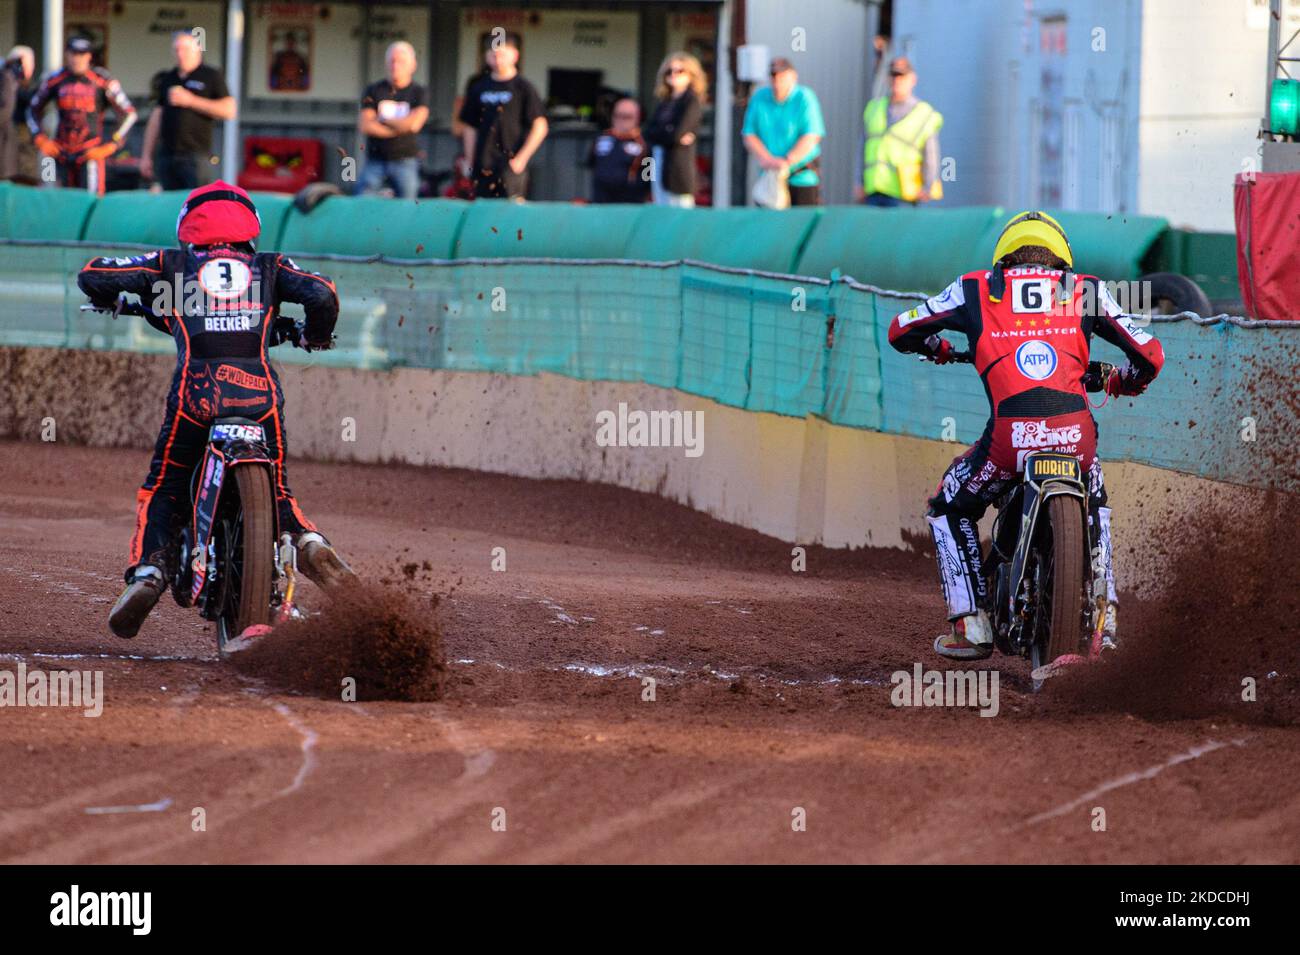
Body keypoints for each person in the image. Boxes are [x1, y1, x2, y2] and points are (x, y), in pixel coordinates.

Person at [76, 181, 356, 638]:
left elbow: (94, 274)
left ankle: (149, 572)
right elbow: (322, 295)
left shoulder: (174, 266)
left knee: (165, 488)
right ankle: (309, 543)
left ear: (189, 225)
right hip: (259, 395)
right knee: (280, 491)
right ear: (251, 227)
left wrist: (110, 301)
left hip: (197, 394)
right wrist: (315, 335)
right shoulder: (271, 267)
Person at [887, 211, 1164, 660]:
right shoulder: (1087, 290)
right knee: (1097, 510)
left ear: (1003, 258)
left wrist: (936, 348)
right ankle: (1105, 626)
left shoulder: (973, 288)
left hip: (1007, 444)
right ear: (1062, 260)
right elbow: (1151, 355)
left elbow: (901, 330)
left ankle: (970, 622)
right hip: (1077, 440)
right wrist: (1123, 381)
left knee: (947, 505)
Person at [26, 36, 136, 194]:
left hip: (90, 154)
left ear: (89, 56)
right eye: (73, 54)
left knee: (91, 202)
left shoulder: (103, 80)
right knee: (49, 195)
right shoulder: (54, 79)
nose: (77, 59)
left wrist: (112, 144)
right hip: (57, 153)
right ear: (67, 55)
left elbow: (129, 114)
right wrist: (39, 138)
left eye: (82, 54)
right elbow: (32, 109)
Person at [141, 30, 236, 191]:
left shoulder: (210, 75)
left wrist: (191, 101)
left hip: (196, 155)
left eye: (185, 49)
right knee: (170, 204)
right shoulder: (169, 78)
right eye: (177, 49)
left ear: (197, 49)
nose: (180, 54)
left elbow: (229, 110)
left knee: (198, 201)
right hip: (167, 155)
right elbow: (157, 116)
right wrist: (146, 155)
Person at [458, 34, 547, 200]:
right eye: (493, 54)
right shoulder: (479, 88)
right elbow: (470, 127)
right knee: (483, 214)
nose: (497, 58)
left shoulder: (524, 87)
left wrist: (522, 158)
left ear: (515, 55)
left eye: (502, 54)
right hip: (483, 165)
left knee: (512, 214)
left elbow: (540, 126)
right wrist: (470, 160)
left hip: (510, 166)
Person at [856, 56, 942, 207]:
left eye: (902, 76)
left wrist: (927, 185)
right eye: (894, 75)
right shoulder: (874, 108)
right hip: (874, 191)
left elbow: (930, 153)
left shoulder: (924, 113)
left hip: (904, 194)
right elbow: (863, 147)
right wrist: (859, 182)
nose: (897, 80)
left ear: (913, 79)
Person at [741, 57, 826, 206]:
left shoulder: (804, 98)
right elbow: (749, 134)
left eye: (782, 76)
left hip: (800, 176)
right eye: (774, 76)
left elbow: (811, 136)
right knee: (770, 225)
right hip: (770, 178)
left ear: (793, 76)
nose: (777, 81)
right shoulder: (760, 98)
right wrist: (768, 160)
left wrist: (787, 161)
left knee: (802, 224)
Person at [356, 41, 428, 200]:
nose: (396, 66)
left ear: (412, 65)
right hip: (375, 160)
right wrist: (400, 127)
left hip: (406, 160)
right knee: (362, 199)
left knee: (408, 204)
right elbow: (366, 125)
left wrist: (382, 120)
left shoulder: (418, 92)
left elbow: (414, 124)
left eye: (401, 61)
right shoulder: (374, 90)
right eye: (392, 61)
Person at [644, 52, 705, 207]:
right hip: (657, 159)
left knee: (681, 206)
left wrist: (667, 133)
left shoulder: (691, 102)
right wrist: (669, 132)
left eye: (680, 71)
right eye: (669, 72)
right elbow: (649, 132)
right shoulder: (664, 102)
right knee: (660, 202)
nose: (673, 75)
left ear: (691, 75)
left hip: (679, 164)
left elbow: (677, 134)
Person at [586, 96, 650, 204]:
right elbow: (592, 163)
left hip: (629, 203)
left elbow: (649, 177)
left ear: (637, 118)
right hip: (601, 200)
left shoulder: (644, 143)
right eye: (618, 115)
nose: (621, 120)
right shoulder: (602, 138)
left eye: (627, 117)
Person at [1, 46, 34, 180]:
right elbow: (7, 109)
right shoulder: (8, 80)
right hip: (19, 147)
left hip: (41, 143)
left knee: (46, 173)